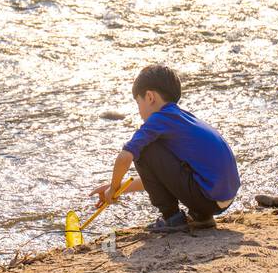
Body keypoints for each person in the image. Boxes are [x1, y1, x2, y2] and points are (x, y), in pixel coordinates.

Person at [91, 64, 240, 233]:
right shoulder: (181, 118)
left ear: (149, 97)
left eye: (138, 103)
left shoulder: (159, 119)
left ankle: (172, 218)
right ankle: (202, 217)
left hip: (207, 198)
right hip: (222, 198)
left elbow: (125, 157)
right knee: (148, 148)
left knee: (143, 149)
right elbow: (163, 179)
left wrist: (112, 188)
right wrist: (117, 187)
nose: (138, 111)